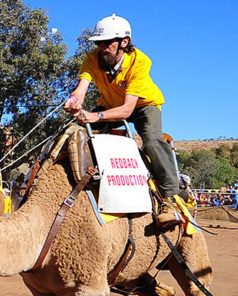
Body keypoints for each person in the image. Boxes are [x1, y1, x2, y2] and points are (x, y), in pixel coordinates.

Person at [63, 14, 180, 228]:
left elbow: (126, 110)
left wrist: (94, 116)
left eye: (107, 42)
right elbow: (81, 89)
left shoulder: (140, 61)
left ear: (124, 42)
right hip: (109, 106)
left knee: (153, 141)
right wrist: (73, 101)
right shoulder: (91, 59)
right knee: (70, 132)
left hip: (144, 106)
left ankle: (171, 200)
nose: (102, 47)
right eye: (99, 42)